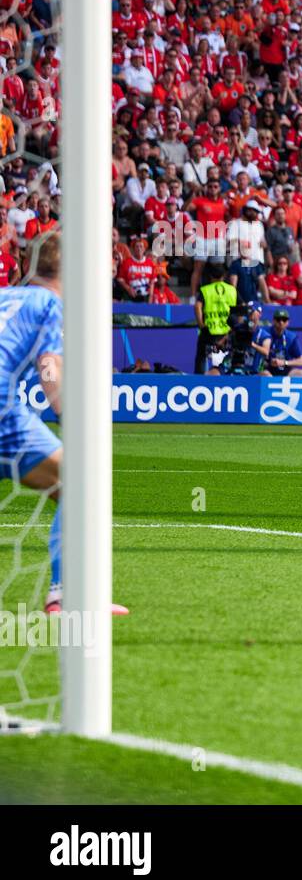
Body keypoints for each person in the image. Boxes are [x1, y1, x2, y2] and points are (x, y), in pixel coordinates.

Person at [1, 237, 126, 614]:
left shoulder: (5, 295)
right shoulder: (50, 304)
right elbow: (49, 368)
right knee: (80, 484)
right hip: (4, 414)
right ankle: (66, 594)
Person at [194, 261, 238, 375]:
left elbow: (197, 306)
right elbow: (240, 309)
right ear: (224, 276)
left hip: (209, 330)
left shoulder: (205, 290)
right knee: (223, 361)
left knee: (201, 357)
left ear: (210, 276)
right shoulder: (232, 290)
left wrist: (201, 324)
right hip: (226, 331)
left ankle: (197, 381)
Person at [252, 309, 302, 377]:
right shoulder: (264, 333)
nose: (281, 322)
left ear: (288, 322)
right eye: (278, 319)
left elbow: (301, 361)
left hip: (285, 370)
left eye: (284, 320)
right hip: (266, 368)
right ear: (273, 321)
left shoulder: (291, 337)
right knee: (267, 375)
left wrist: (284, 362)